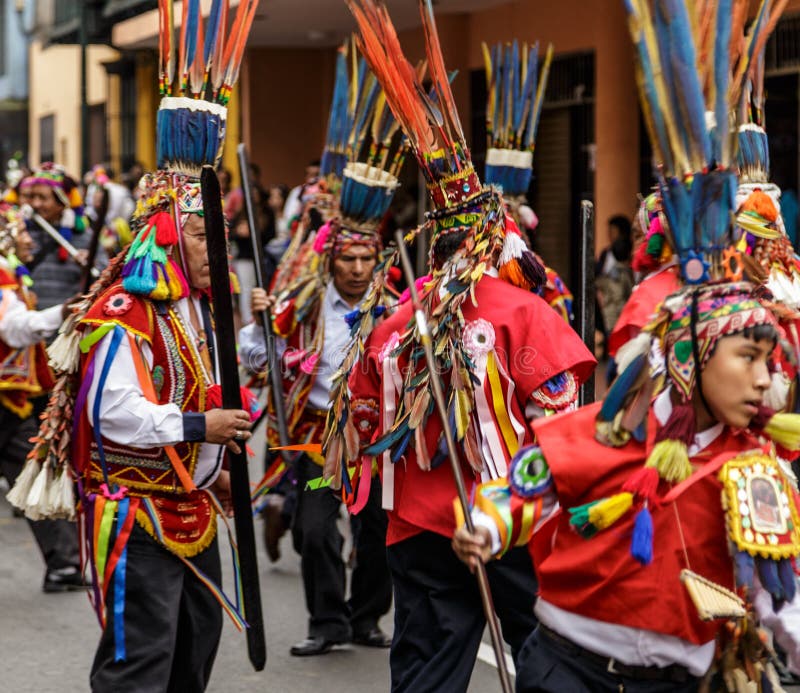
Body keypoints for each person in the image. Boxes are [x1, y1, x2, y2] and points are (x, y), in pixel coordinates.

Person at [454, 2, 800, 690]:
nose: (769, 381)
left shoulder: (761, 473)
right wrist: (486, 525)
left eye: (772, 361)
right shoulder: (600, 433)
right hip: (568, 667)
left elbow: (783, 601)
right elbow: (522, 490)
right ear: (687, 356)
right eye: (750, 359)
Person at [328, 3, 596, 690]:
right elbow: (561, 429)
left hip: (416, 527)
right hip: (506, 522)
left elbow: (359, 420)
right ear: (497, 239)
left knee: (426, 671)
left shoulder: (391, 321)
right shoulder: (524, 312)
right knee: (549, 652)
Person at [8, 5, 259, 690]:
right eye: (206, 234)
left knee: (192, 655)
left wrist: (221, 452)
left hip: (195, 509)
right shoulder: (126, 310)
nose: (221, 246)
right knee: (141, 664)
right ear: (172, 235)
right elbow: (112, 413)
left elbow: (213, 383)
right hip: (141, 512)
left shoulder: (202, 310)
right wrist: (200, 427)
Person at [240, 41, 399, 656]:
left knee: (378, 529)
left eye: (367, 258)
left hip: (377, 438)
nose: (358, 268)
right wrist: (265, 337)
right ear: (329, 260)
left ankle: (365, 618)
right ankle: (325, 624)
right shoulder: (298, 307)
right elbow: (255, 357)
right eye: (348, 259)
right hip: (313, 437)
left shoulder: (397, 309)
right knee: (315, 528)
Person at [0, 203, 85, 592]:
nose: (29, 237)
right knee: (31, 470)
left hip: (14, 398)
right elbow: (14, 329)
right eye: (21, 231)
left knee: (32, 471)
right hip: (7, 399)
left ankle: (64, 565)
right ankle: (63, 564)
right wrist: (60, 314)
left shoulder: (12, 276)